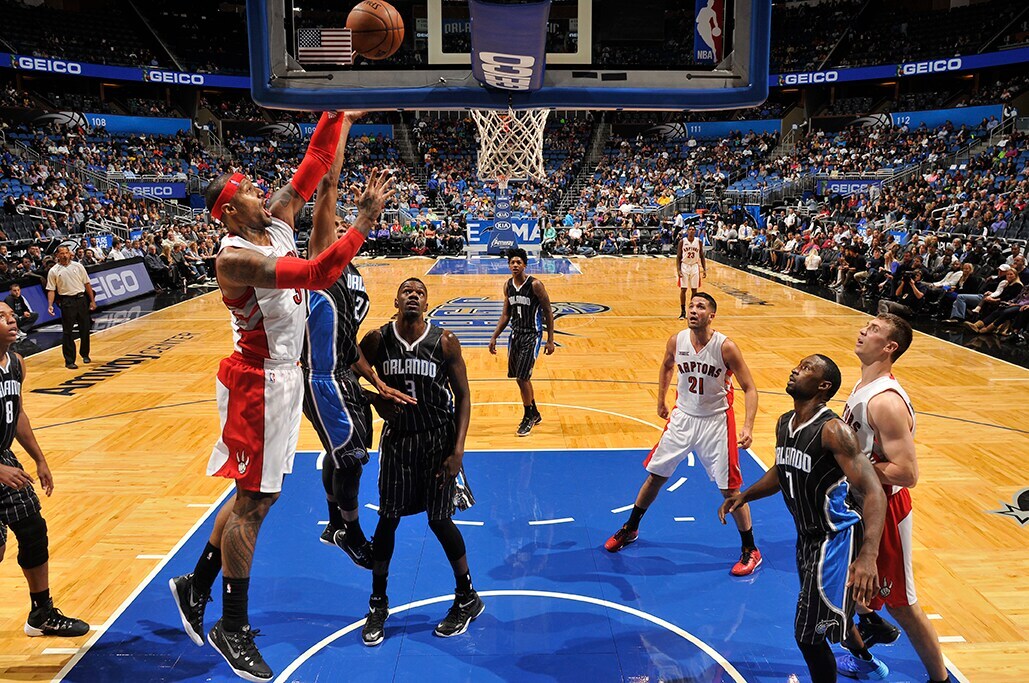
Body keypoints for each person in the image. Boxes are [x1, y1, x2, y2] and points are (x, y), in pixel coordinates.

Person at [167, 111, 394, 683]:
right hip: (257, 382)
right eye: (243, 188)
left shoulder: (276, 221)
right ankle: (232, 626)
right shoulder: (235, 257)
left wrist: (340, 111)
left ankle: (196, 585)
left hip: (285, 380)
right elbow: (318, 274)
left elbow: (316, 162)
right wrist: (362, 221)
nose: (254, 187)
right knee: (254, 505)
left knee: (253, 496)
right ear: (227, 211)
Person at [720, 355, 886, 682]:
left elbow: (873, 492)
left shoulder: (834, 430)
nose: (796, 370)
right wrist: (746, 495)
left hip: (836, 540)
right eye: (798, 365)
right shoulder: (785, 422)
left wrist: (868, 555)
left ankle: (867, 631)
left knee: (807, 635)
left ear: (824, 386)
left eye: (806, 368)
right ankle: (868, 651)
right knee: (821, 615)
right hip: (808, 538)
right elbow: (783, 469)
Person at [301, 116, 415, 567]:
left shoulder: (350, 268)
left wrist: (377, 382)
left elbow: (348, 345)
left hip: (343, 372)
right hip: (321, 377)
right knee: (349, 458)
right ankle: (349, 531)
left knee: (344, 452)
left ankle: (334, 522)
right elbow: (328, 184)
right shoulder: (321, 261)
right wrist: (343, 121)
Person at [605, 293, 762, 576]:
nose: (693, 310)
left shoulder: (726, 347)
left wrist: (748, 426)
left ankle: (751, 548)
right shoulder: (676, 340)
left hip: (716, 421)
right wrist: (660, 400)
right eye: (691, 306)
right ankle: (631, 527)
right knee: (656, 475)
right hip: (683, 417)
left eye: (700, 307)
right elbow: (666, 366)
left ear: (711, 315)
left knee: (730, 490)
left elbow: (750, 387)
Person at [358, 278, 479, 646]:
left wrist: (457, 451)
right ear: (395, 299)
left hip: (437, 441)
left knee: (440, 520)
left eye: (420, 292)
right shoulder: (378, 339)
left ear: (427, 303)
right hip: (398, 443)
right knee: (387, 520)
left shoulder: (445, 341)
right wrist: (374, 399)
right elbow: (348, 372)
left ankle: (467, 597)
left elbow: (463, 397)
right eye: (407, 291)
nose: (413, 295)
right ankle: (378, 603)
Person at [836, 314, 952, 683]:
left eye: (873, 331)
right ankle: (869, 630)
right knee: (846, 582)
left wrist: (855, 467)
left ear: (890, 348)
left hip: (885, 508)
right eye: (865, 326)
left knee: (903, 604)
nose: (862, 332)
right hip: (859, 502)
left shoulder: (886, 402)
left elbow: (907, 473)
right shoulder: (864, 385)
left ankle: (941, 679)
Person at [0, 303, 89, 638]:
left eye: (11, 314)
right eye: (2, 316)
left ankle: (42, 613)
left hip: (4, 458)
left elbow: (18, 414)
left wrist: (39, 458)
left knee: (34, 531)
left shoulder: (16, 363)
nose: (11, 319)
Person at [487, 248, 556, 437]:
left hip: (532, 335)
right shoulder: (508, 286)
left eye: (519, 262)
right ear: (508, 265)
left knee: (522, 377)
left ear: (525, 265)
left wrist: (550, 340)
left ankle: (528, 416)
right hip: (515, 335)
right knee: (519, 376)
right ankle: (534, 412)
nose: (515, 265)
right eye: (512, 262)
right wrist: (494, 336)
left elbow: (548, 312)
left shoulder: (535, 285)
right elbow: (505, 314)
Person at [45, 246, 96, 370]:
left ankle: (85, 354)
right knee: (67, 332)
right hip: (67, 301)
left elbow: (87, 284)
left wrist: (92, 301)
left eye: (66, 253)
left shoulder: (78, 266)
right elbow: (51, 289)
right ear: (57, 255)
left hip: (81, 299)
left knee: (85, 328)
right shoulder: (54, 271)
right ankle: (69, 360)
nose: (65, 255)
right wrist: (50, 305)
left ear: (70, 254)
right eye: (62, 253)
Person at [676, 225, 706, 319]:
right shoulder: (682, 241)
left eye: (693, 229)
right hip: (684, 265)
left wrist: (704, 269)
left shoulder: (698, 242)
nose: (692, 231)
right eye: (690, 229)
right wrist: (678, 270)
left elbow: (702, 255)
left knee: (694, 290)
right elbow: (678, 256)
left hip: (694, 266)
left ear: (695, 231)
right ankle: (682, 311)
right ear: (687, 231)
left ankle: (692, 311)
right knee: (683, 289)